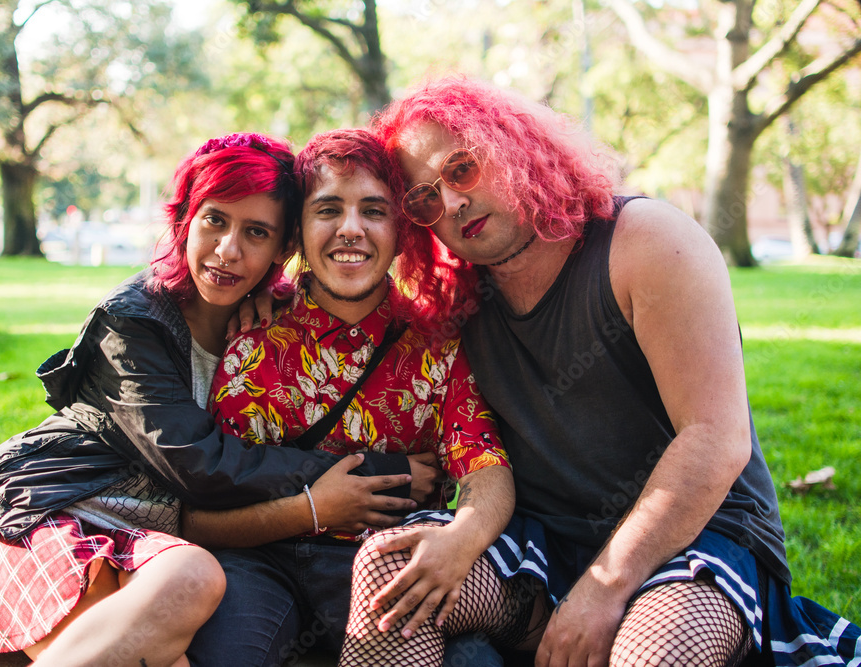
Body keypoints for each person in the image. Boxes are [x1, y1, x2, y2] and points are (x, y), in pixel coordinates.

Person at [336, 76, 861, 667]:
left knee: (653, 655)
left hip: (693, 544)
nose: (452, 203)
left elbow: (715, 440)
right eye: (425, 199)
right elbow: (333, 304)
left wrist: (603, 589)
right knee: (392, 569)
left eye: (461, 170)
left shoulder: (646, 241)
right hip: (542, 546)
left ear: (511, 148)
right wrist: (238, 300)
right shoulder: (455, 301)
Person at [0, 132, 421, 667]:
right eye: (215, 220)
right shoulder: (133, 322)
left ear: (283, 247)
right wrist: (372, 472)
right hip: (50, 516)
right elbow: (199, 465)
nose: (228, 251)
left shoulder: (265, 317)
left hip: (140, 540)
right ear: (185, 220)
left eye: (257, 232)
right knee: (194, 577)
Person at [182, 128, 517, 667]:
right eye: (329, 209)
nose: (351, 230)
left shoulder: (436, 346)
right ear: (298, 230)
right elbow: (202, 515)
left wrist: (462, 538)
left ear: (404, 229)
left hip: (385, 563)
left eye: (374, 211)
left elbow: (485, 468)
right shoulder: (253, 339)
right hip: (264, 566)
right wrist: (313, 510)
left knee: (474, 661)